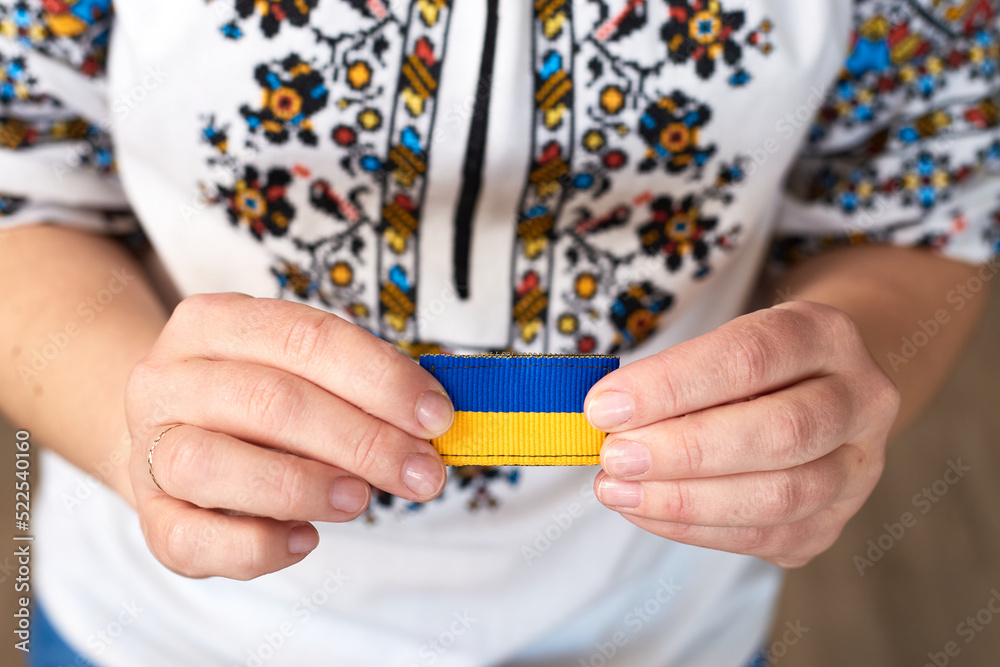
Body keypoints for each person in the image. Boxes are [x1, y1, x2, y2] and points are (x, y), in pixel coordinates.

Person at [0, 0, 997, 665]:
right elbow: (22, 171)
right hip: (164, 630)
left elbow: (921, 190)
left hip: (662, 624)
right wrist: (134, 428)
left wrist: (834, 390)